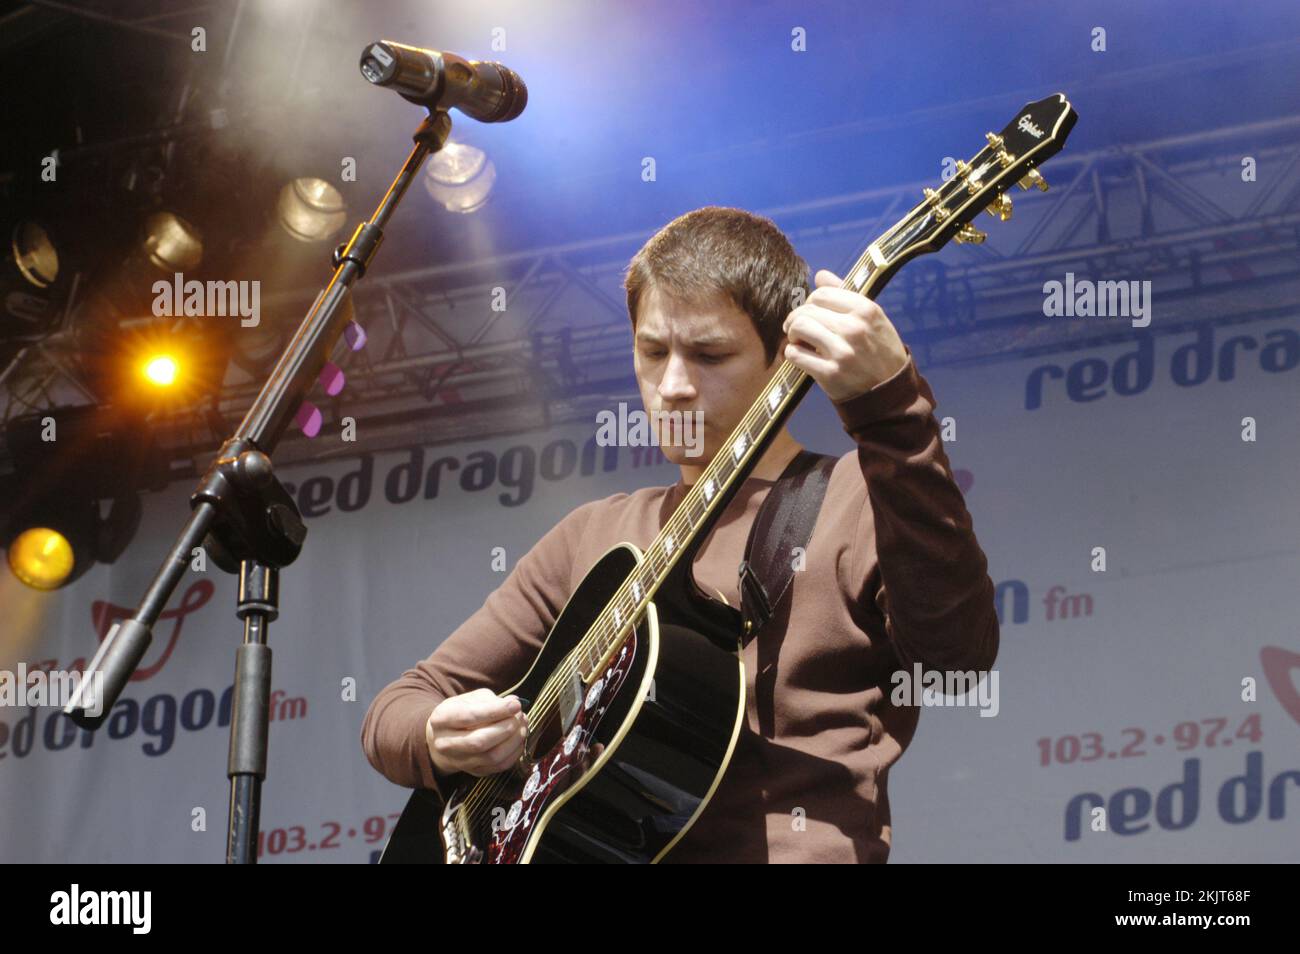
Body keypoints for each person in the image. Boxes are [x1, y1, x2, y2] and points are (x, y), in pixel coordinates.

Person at [361, 205, 999, 863]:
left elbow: (955, 662)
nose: (672, 386)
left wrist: (891, 410)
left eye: (709, 354)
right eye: (651, 351)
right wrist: (439, 738)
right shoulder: (595, 534)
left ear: (786, 355)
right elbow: (395, 712)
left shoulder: (856, 503)